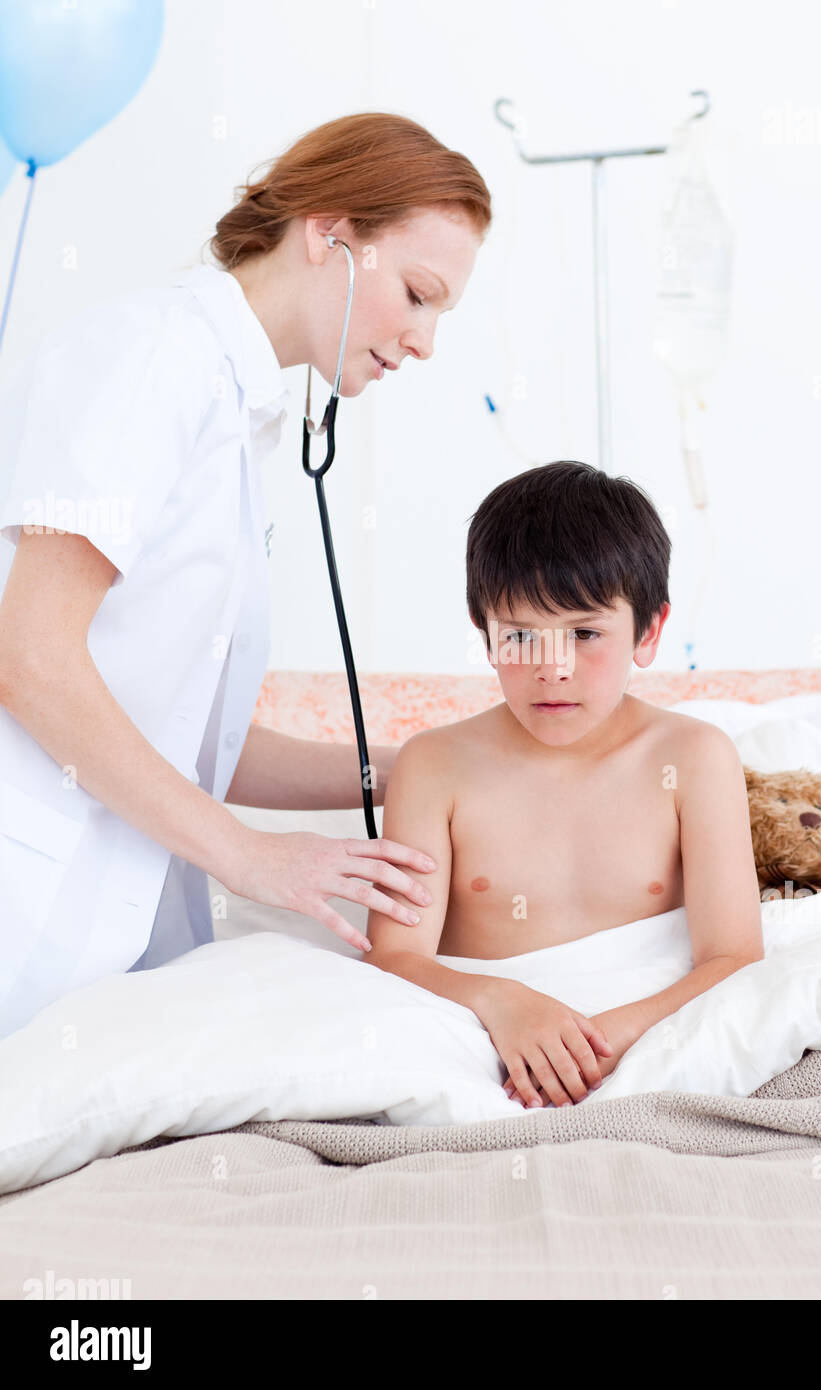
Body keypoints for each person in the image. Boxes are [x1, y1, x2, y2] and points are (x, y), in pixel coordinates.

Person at [0, 112, 491, 1040]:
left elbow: (194, 732)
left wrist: (416, 772)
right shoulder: (150, 359)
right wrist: (250, 859)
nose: (425, 343)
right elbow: (29, 658)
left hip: (113, 955)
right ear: (331, 233)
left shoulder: (239, 411)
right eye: (420, 294)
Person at [363, 460, 765, 1109]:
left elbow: (735, 957)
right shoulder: (434, 765)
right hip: (482, 1038)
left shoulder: (694, 758)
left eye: (584, 634)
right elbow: (394, 958)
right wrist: (506, 1003)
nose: (552, 669)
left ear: (650, 631)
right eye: (520, 635)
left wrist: (605, 1036)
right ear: (484, 635)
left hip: (641, 1037)